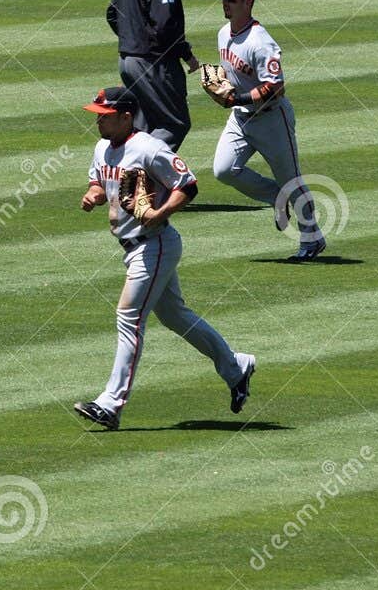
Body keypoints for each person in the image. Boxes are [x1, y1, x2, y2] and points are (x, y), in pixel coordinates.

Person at [72, 86, 255, 430]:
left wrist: (160, 213)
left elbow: (188, 185)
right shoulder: (102, 148)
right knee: (176, 318)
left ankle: (110, 405)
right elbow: (99, 183)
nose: (98, 123)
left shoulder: (150, 149)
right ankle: (236, 367)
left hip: (154, 245)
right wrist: (92, 195)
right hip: (132, 247)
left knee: (128, 316)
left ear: (127, 117)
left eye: (105, 117)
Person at [203, 0, 326, 262]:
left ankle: (312, 238)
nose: (225, 3)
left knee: (291, 181)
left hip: (272, 119)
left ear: (248, 2)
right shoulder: (223, 33)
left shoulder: (261, 42)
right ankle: (275, 198)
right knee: (224, 170)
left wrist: (238, 98)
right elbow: (230, 75)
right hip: (241, 118)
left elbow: (276, 87)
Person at [106, 0, 201, 150]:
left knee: (143, 123)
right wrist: (187, 56)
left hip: (127, 61)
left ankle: (128, 180)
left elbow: (112, 13)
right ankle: (138, 170)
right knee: (174, 124)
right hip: (153, 63)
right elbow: (167, 27)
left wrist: (131, 38)